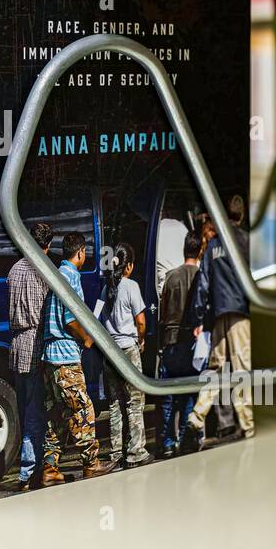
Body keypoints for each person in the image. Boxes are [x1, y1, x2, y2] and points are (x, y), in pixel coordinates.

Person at [40, 232, 116, 485]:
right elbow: (70, 319)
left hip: (49, 357)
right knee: (83, 409)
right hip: (66, 355)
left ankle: (50, 468)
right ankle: (91, 463)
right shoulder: (71, 277)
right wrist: (87, 338)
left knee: (58, 415)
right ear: (81, 252)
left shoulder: (55, 274)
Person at [180, 195, 253, 453]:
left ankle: (197, 415)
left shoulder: (213, 247)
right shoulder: (246, 242)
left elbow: (203, 285)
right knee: (242, 369)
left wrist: (199, 320)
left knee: (215, 368)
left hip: (219, 316)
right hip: (241, 315)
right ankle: (249, 424)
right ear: (242, 216)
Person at [5, 221, 54, 488]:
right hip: (35, 343)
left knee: (23, 408)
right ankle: (29, 471)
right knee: (36, 410)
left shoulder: (13, 270)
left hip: (16, 344)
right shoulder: (43, 270)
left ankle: (27, 466)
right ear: (45, 246)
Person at [101, 242, 153, 466]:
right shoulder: (131, 286)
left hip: (110, 352)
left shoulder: (105, 289)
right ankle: (136, 452)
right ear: (129, 266)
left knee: (114, 403)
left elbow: (97, 318)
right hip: (128, 349)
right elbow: (141, 322)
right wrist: (141, 340)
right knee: (134, 401)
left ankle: (115, 454)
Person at [156, 231, 203, 455]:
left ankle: (165, 442)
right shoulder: (201, 276)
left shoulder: (170, 277)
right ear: (200, 250)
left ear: (184, 249)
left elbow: (163, 313)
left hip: (170, 341)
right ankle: (185, 439)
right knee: (189, 395)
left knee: (167, 397)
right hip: (191, 344)